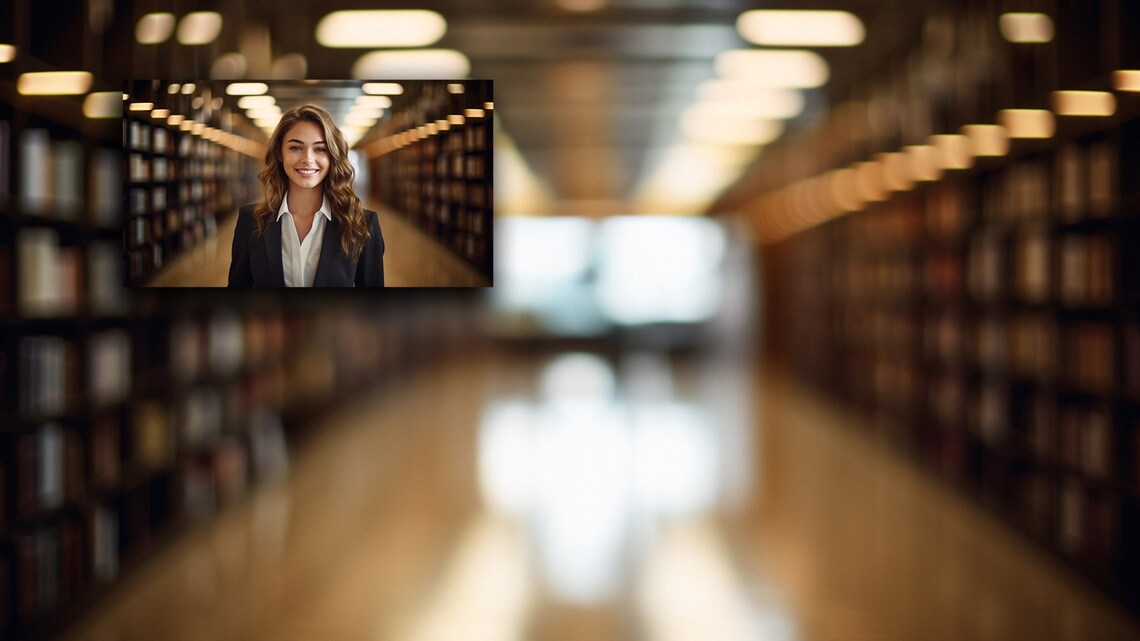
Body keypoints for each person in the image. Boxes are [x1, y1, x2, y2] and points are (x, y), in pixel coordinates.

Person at [228, 103, 384, 287]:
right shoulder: (250, 221)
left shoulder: (362, 224)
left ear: (333, 155)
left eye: (320, 149)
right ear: (280, 152)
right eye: (296, 148)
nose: (308, 159)